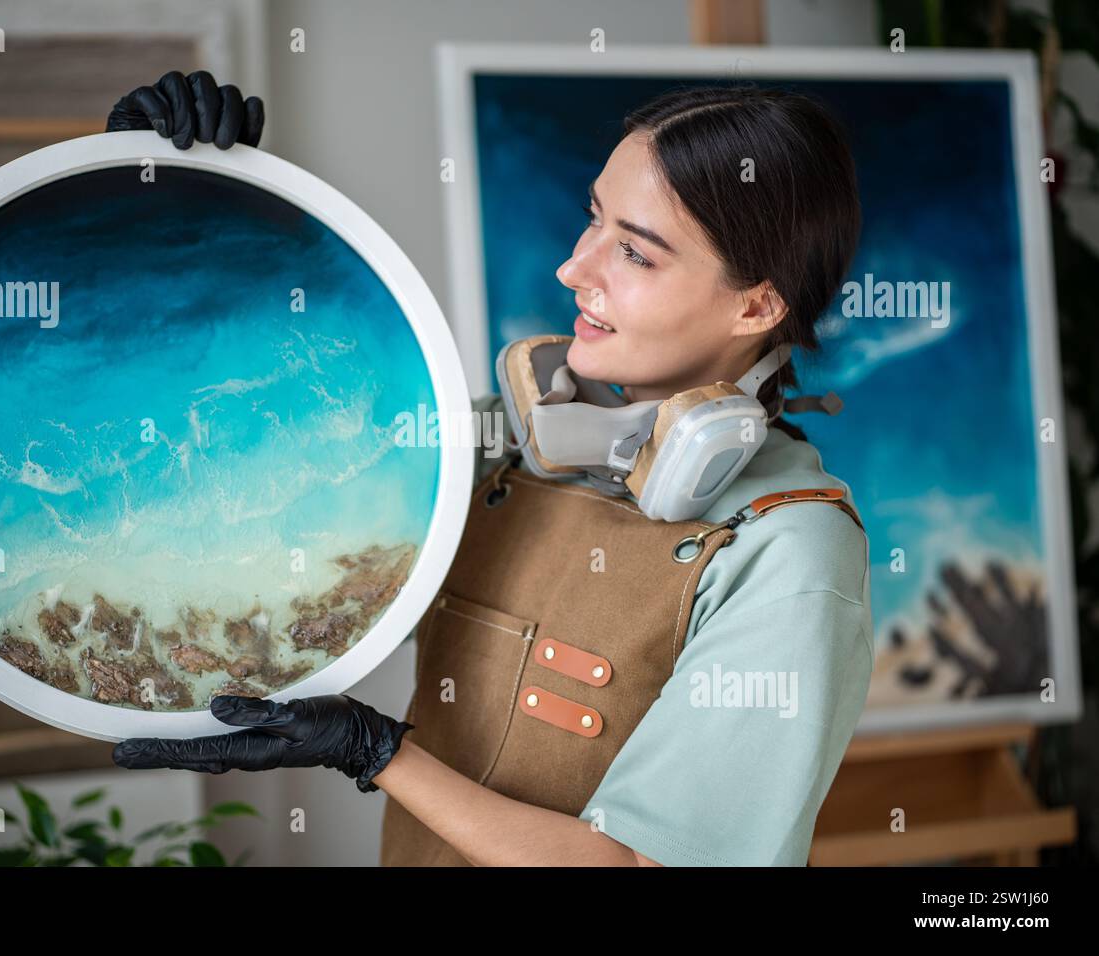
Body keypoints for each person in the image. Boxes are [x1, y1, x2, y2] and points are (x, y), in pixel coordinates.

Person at [105, 71, 874, 867]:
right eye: (594, 220)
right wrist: (178, 194)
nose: (574, 270)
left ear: (756, 306)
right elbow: (249, 458)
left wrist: (375, 753)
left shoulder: (792, 552)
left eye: (635, 253)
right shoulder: (510, 444)